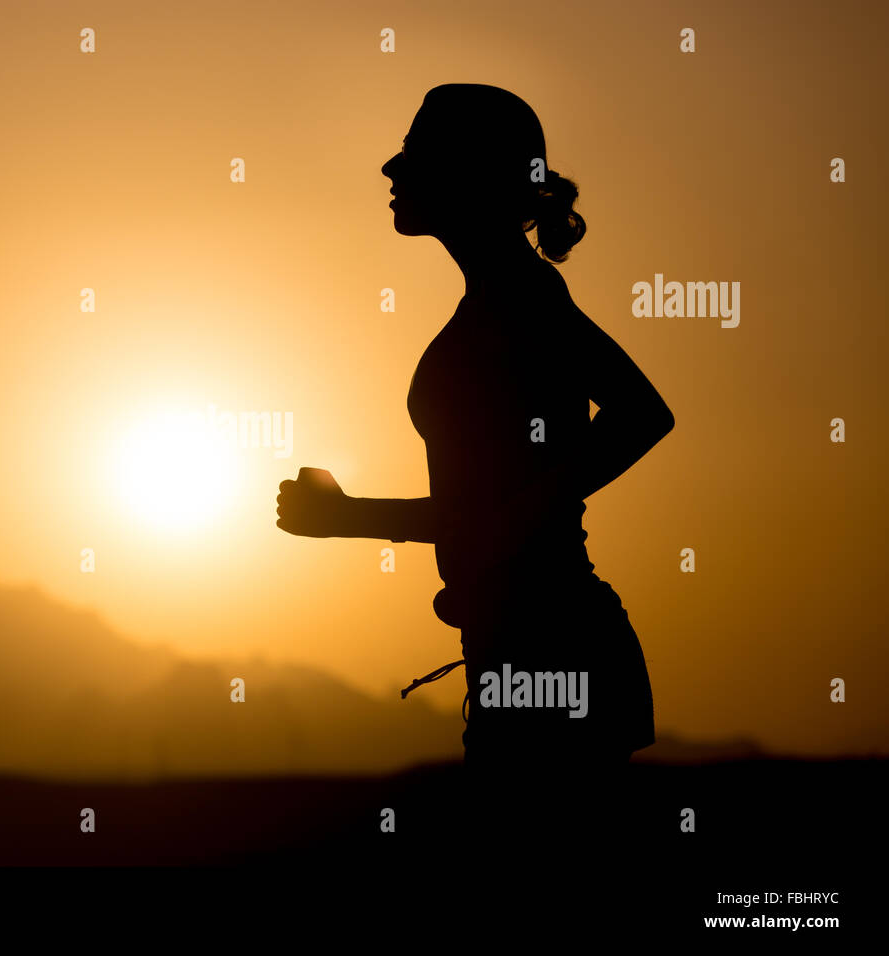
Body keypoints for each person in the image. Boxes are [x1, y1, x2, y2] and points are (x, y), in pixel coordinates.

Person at [275, 84, 674, 776]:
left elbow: (642, 415)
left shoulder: (520, 299)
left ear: (471, 173)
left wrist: (349, 518)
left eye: (414, 153)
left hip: (554, 655)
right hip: (524, 653)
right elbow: (479, 515)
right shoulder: (505, 297)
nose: (390, 171)